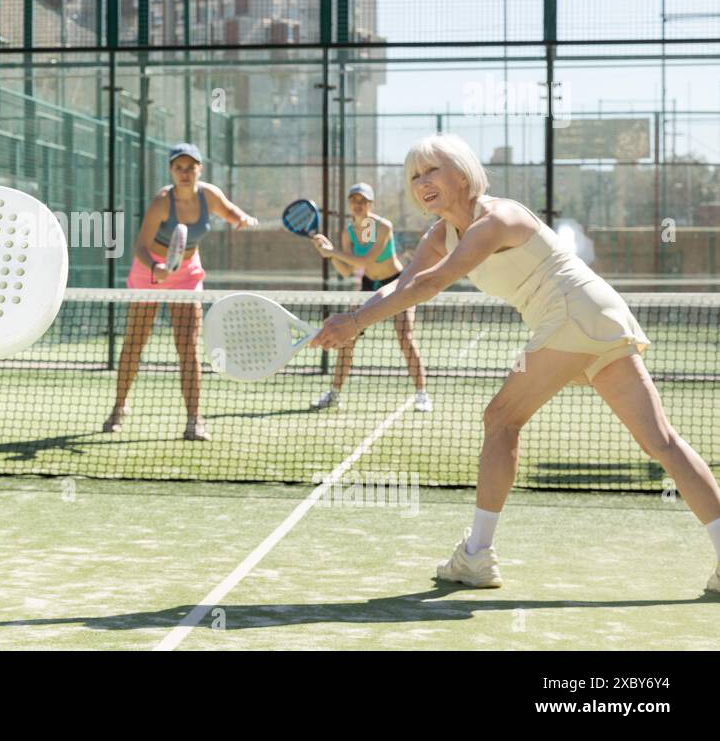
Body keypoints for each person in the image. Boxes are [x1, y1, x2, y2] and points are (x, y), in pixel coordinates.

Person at [311, 133, 720, 592]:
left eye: (433, 171)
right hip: (595, 315)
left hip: (572, 312)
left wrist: (356, 320)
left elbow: (431, 285)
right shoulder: (439, 234)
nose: (422, 182)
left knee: (501, 418)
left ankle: (477, 556)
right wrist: (354, 317)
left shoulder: (495, 219)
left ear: (462, 174)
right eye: (414, 176)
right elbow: (403, 283)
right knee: (661, 441)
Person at [103, 143, 257, 441]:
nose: (185, 173)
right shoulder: (162, 201)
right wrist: (157, 268)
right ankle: (118, 407)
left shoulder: (208, 194)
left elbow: (228, 210)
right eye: (179, 168)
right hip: (150, 272)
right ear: (171, 171)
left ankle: (194, 421)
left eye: (191, 167)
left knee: (187, 346)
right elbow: (141, 246)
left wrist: (242, 218)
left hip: (187, 273)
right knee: (135, 342)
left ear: (200, 169)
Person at [308, 182, 431, 412]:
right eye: (354, 200)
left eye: (363, 201)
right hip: (368, 285)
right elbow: (346, 270)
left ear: (371, 204)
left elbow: (367, 261)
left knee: (405, 337)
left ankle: (422, 394)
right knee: (347, 339)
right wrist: (326, 253)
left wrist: (333, 251)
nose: (358, 205)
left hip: (397, 283)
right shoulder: (348, 232)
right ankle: (334, 394)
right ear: (349, 204)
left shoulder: (382, 226)